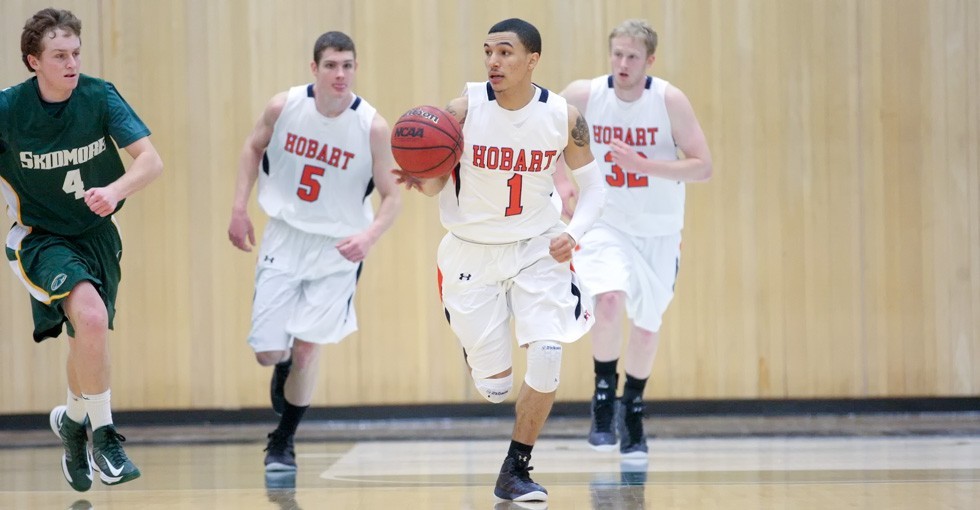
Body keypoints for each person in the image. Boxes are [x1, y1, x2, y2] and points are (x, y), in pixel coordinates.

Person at [395, 18, 606, 503]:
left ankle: (516, 468)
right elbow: (432, 185)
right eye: (489, 51)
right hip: (471, 250)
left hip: (538, 245)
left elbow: (595, 188)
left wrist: (572, 234)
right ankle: (480, 356)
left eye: (506, 53)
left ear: (532, 60)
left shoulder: (563, 115)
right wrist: (419, 174)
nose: (494, 61)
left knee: (548, 354)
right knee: (495, 388)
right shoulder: (462, 111)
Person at [0, 8, 163, 491]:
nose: (71, 63)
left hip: (97, 234)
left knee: (84, 338)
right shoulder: (9, 110)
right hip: (41, 237)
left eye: (75, 53)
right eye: (58, 55)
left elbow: (150, 161)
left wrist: (115, 192)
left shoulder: (98, 95)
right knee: (90, 319)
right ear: (34, 61)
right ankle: (105, 435)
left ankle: (73, 423)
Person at [228, 31, 401, 474]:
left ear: (355, 68)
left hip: (338, 247)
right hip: (284, 236)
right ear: (314, 69)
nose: (340, 74)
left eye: (347, 65)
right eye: (331, 65)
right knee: (270, 352)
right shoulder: (284, 107)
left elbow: (392, 195)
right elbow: (251, 147)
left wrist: (370, 236)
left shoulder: (372, 126)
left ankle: (283, 441)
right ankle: (280, 366)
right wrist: (239, 208)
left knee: (309, 348)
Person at [553, 19, 713, 458]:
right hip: (605, 221)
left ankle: (634, 407)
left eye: (633, 57)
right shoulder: (585, 95)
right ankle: (603, 399)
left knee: (646, 325)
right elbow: (544, 140)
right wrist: (561, 182)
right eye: (617, 54)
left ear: (650, 60)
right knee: (607, 299)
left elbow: (703, 165)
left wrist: (648, 166)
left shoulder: (668, 101)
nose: (623, 64)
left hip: (659, 229)